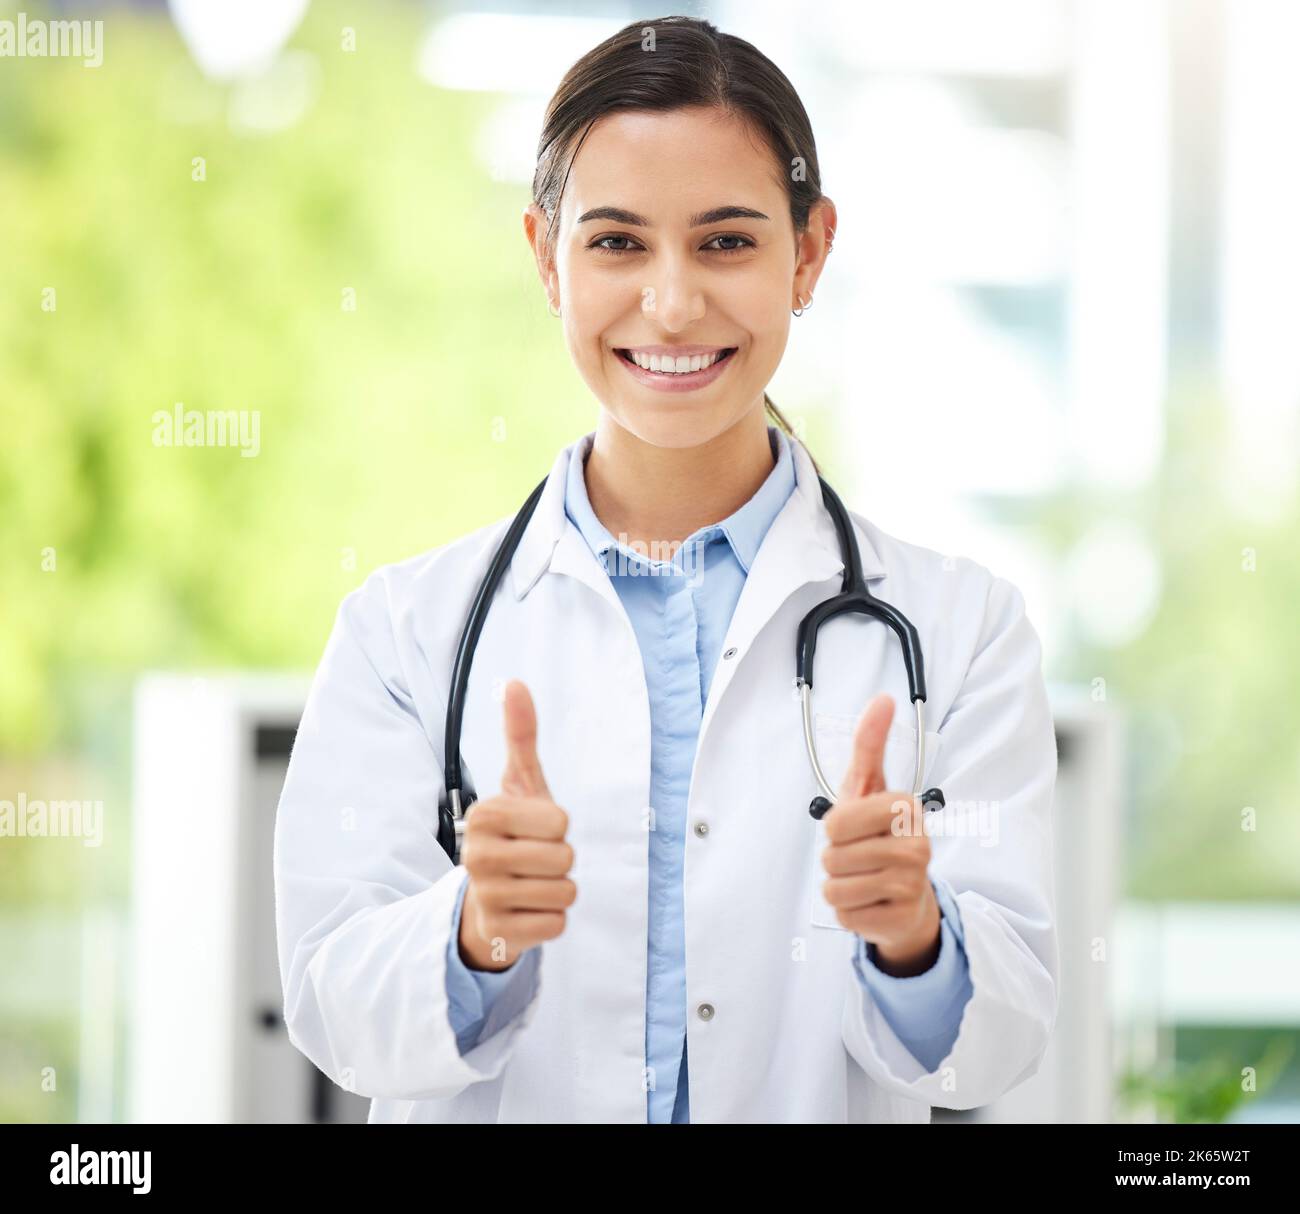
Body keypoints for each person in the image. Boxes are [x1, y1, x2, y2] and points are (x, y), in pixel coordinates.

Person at [274, 14, 1058, 1124]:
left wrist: (914, 939)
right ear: (548, 258)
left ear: (811, 252)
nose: (674, 301)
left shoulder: (962, 629)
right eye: (617, 243)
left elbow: (1003, 1042)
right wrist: (474, 931)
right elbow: (330, 1005)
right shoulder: (405, 631)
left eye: (728, 241)